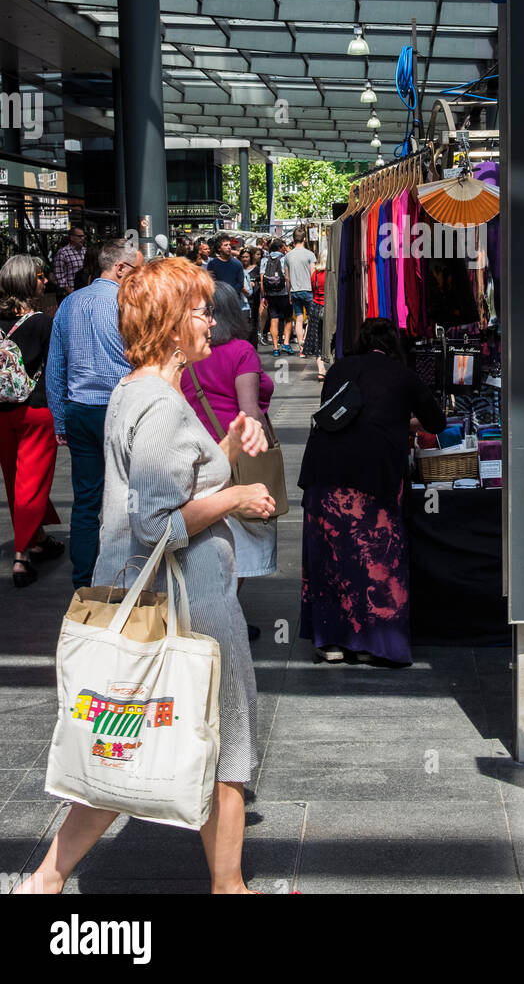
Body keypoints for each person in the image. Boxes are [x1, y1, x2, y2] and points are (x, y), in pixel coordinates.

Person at [20, 257, 275, 896]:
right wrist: (238, 500)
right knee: (224, 737)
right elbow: (158, 520)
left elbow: (174, 483)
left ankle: (45, 882)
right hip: (188, 603)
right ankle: (229, 888)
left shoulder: (135, 390)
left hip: (151, 595)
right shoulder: (160, 404)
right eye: (196, 309)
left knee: (125, 738)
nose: (208, 319)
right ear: (166, 324)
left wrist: (230, 453)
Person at [298, 316, 446, 666]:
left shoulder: (339, 369)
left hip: (324, 473)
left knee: (329, 559)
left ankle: (331, 642)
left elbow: (342, 414)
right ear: (395, 345)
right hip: (373, 479)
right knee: (375, 562)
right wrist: (403, 422)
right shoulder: (404, 376)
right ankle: (373, 644)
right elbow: (436, 422)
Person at [180, 280, 277, 635]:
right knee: (236, 541)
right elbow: (249, 411)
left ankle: (200, 617)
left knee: (201, 539)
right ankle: (221, 621)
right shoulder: (241, 351)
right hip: (233, 452)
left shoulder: (187, 353)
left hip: (194, 453)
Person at [46, 238, 143, 588]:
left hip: (79, 411)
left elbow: (55, 366)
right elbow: (139, 357)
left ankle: (84, 580)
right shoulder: (125, 303)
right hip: (120, 409)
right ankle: (126, 574)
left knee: (86, 499)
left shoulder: (70, 303)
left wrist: (60, 417)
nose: (141, 276)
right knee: (129, 495)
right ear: (120, 268)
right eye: (138, 269)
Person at [0, 255, 64, 587]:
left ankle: (37, 538)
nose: (46, 280)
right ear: (29, 282)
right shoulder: (42, 322)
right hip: (36, 412)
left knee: (16, 481)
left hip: (2, 413)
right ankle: (22, 556)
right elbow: (54, 372)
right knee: (32, 483)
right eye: (40, 275)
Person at [261, 238, 295, 357]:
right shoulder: (285, 259)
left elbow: (262, 279)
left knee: (273, 320)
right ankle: (285, 343)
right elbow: (287, 277)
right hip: (284, 293)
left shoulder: (264, 260)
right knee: (288, 318)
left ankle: (275, 348)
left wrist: (263, 296)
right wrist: (290, 293)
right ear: (280, 248)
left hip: (270, 294)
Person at [286, 227, 316, 353]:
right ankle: (307, 341)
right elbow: (313, 274)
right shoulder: (310, 255)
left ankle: (301, 348)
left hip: (295, 291)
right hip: (308, 290)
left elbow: (287, 277)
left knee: (298, 319)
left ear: (293, 239)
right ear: (305, 239)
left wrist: (289, 294)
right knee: (311, 318)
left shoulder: (288, 256)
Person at [301, 247, 327, 381]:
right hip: (328, 308)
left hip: (316, 308)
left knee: (317, 339)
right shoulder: (331, 274)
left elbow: (313, 291)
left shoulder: (315, 274)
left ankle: (321, 370)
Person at [207, 233, 245, 307]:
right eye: (225, 245)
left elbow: (240, 283)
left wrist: (230, 293)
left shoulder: (237, 264)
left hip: (234, 300)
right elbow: (211, 282)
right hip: (218, 300)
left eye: (229, 245)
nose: (229, 247)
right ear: (219, 248)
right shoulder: (212, 264)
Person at [52, 226, 86, 301]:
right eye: (79, 236)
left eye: (83, 236)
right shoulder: (63, 253)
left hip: (84, 293)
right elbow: (59, 276)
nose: (82, 239)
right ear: (71, 238)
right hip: (68, 295)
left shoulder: (85, 251)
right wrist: (70, 291)